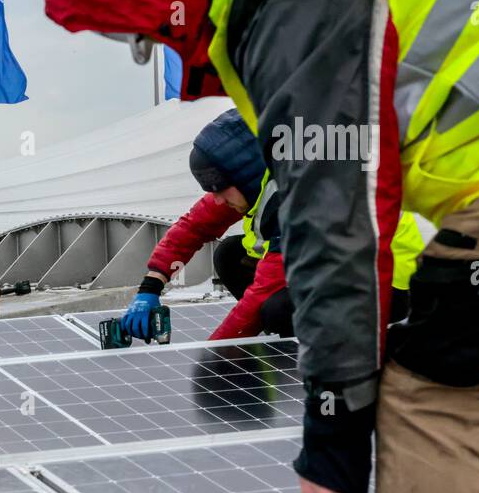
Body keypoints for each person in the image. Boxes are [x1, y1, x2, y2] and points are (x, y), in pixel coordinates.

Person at [46, 0, 479, 493]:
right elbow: (215, 223)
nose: (146, 43)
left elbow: (335, 230)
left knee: (438, 415)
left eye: (133, 31)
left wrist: (333, 447)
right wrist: (153, 279)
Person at [123, 109, 424, 341]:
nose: (215, 199)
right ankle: (289, 342)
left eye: (218, 188)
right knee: (230, 255)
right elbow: (195, 227)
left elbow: (263, 293)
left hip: (387, 285)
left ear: (246, 175)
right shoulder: (260, 177)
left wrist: (215, 355)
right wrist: (150, 287)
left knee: (279, 308)